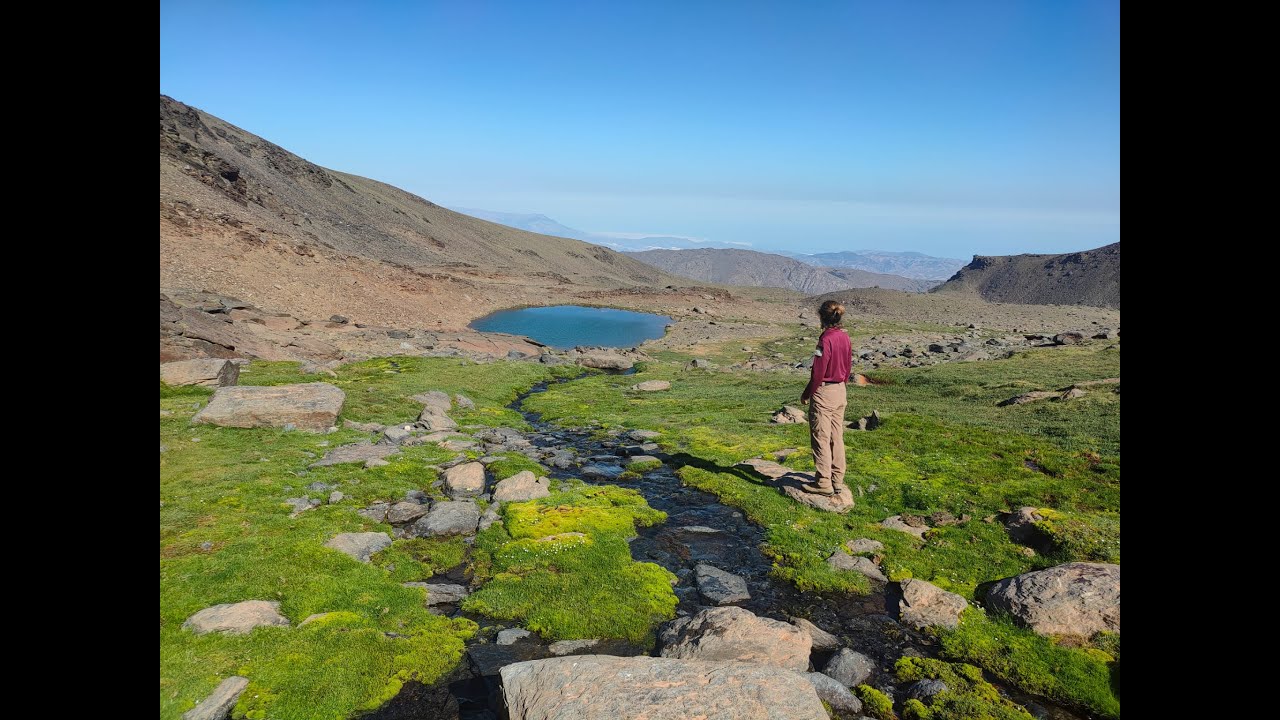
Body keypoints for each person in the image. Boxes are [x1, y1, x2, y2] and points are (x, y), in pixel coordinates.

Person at [799, 300, 851, 496]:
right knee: (836, 436)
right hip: (840, 390)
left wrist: (807, 393)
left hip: (825, 392)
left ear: (822, 317)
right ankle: (837, 480)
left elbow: (818, 371)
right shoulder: (844, 337)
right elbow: (848, 366)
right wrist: (841, 384)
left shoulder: (825, 339)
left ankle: (823, 482)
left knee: (821, 436)